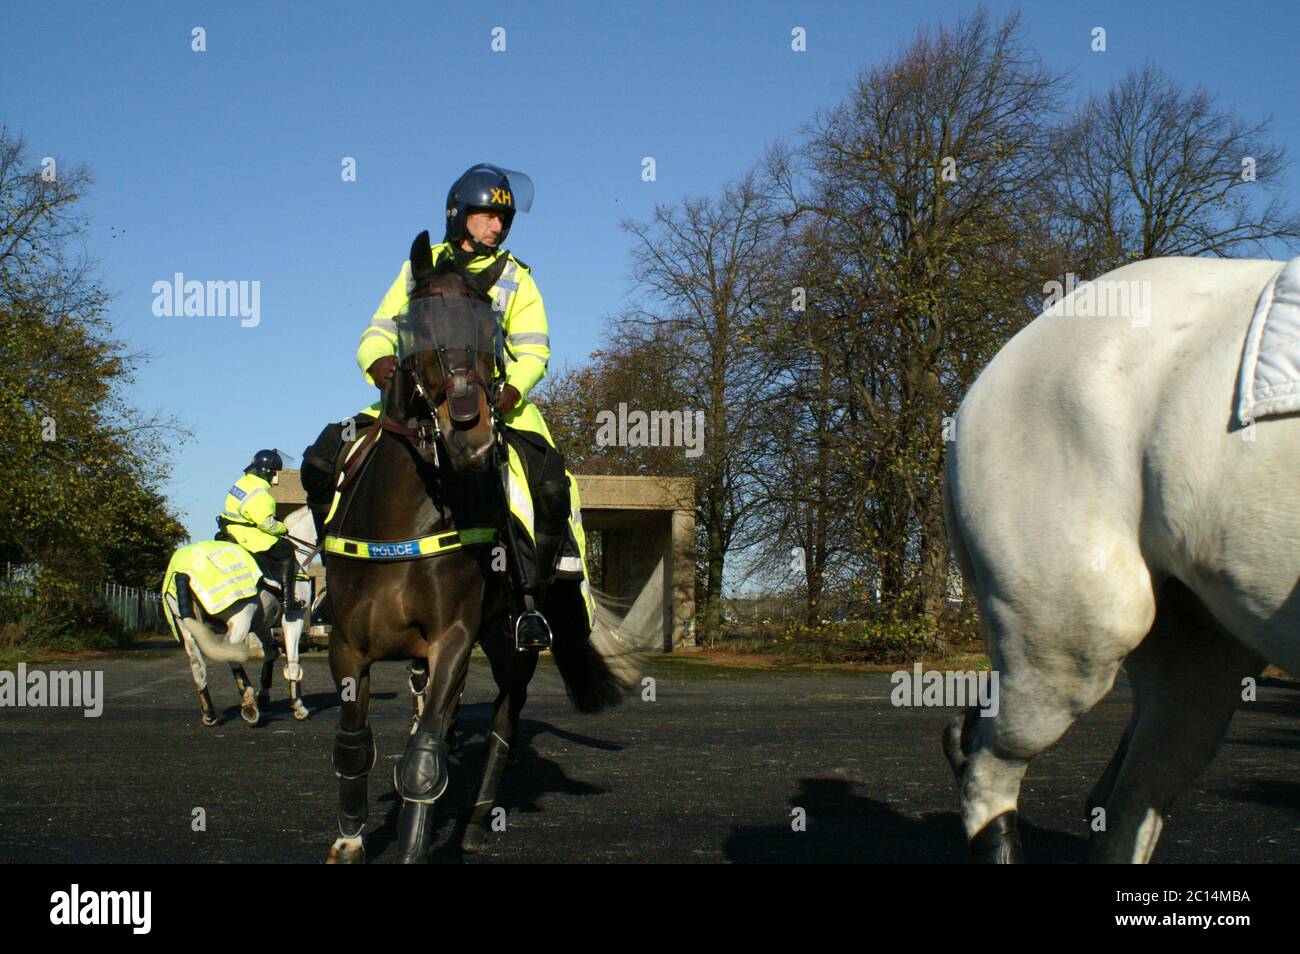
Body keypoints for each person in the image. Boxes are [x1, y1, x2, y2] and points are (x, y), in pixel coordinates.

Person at [358, 163, 570, 650]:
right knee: (328, 457)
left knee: (549, 484)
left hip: (499, 405)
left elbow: (535, 349)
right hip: (415, 399)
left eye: (504, 219)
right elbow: (379, 328)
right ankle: (336, 581)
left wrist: (511, 391)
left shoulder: (517, 278)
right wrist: (379, 364)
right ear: (459, 215)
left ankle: (533, 601)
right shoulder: (422, 264)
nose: (498, 226)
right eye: (488, 216)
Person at [216, 449, 302, 610]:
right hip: (247, 536)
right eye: (276, 473)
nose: (276, 476)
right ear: (268, 472)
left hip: (230, 530)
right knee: (286, 551)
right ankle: (287, 601)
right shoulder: (261, 494)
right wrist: (282, 528)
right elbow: (267, 524)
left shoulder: (241, 483)